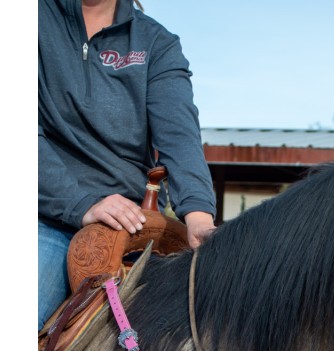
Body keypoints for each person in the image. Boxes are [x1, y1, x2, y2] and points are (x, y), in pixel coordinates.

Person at [38, 0, 216, 330]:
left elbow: (178, 132)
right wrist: (81, 205)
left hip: (131, 219)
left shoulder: (156, 42)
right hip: (46, 214)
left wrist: (199, 217)